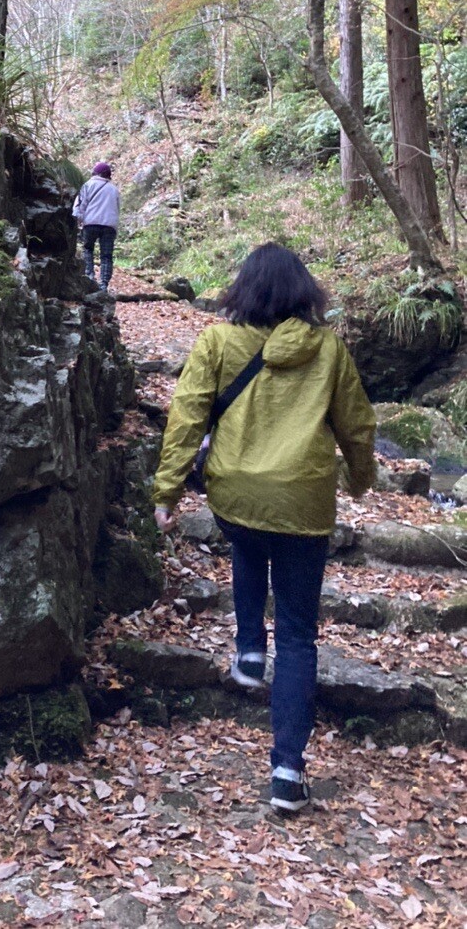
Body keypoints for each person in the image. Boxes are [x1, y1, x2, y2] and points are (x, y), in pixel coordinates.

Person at [152, 243, 375, 813]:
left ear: (242, 290)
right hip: (302, 501)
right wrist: (360, 479)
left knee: (247, 539)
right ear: (305, 292)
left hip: (235, 492)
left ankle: (250, 649)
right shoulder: (328, 349)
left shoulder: (218, 342)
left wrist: (168, 490)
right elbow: (356, 423)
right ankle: (286, 773)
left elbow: (187, 415)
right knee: (298, 635)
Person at [73, 162, 121, 292]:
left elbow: (80, 206)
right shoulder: (114, 189)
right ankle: (104, 284)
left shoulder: (87, 185)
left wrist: (78, 221)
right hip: (109, 226)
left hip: (91, 223)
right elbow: (117, 209)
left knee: (88, 249)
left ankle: (90, 276)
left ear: (95, 173)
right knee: (106, 255)